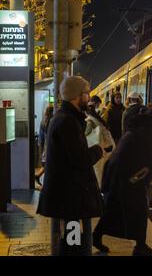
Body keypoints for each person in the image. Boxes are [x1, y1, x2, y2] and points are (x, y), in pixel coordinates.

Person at [93, 105, 152, 256]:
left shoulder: (141, 126)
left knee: (116, 209)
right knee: (140, 210)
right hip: (128, 177)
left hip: (119, 173)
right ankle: (140, 247)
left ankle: (97, 236)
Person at [37, 76, 104, 256]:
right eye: (86, 93)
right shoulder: (67, 121)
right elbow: (80, 159)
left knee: (72, 240)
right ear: (77, 95)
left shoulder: (65, 118)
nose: (89, 97)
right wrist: (99, 150)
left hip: (70, 195)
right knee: (73, 242)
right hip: (70, 198)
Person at [85, 96, 115, 185]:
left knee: (99, 173)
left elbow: (86, 134)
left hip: (100, 149)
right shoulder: (96, 119)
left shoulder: (91, 120)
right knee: (101, 173)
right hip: (104, 148)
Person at [35, 105, 54, 187]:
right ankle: (39, 177)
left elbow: (41, 137)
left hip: (46, 144)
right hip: (50, 144)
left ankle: (38, 176)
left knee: (47, 163)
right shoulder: (53, 120)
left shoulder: (43, 121)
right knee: (49, 163)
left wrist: (41, 145)